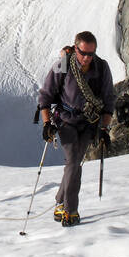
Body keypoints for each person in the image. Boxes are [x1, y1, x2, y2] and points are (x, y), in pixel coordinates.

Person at [37, 31, 115, 227]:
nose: (87, 57)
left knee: (75, 164)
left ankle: (59, 202)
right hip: (66, 120)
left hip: (89, 122)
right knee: (73, 160)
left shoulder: (102, 67)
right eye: (83, 53)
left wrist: (104, 128)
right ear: (75, 48)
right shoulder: (64, 64)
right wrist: (47, 123)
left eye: (91, 53)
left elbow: (108, 100)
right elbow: (46, 96)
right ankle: (70, 211)